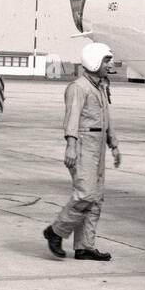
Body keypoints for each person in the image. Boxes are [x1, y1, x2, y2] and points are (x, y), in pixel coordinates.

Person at [43, 42, 121, 261]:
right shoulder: (79, 87)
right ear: (94, 61)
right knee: (85, 193)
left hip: (98, 144)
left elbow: (106, 118)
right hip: (84, 143)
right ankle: (56, 231)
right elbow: (72, 118)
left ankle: (85, 246)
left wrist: (113, 144)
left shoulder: (101, 86)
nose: (110, 64)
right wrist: (71, 145)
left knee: (96, 198)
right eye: (107, 60)